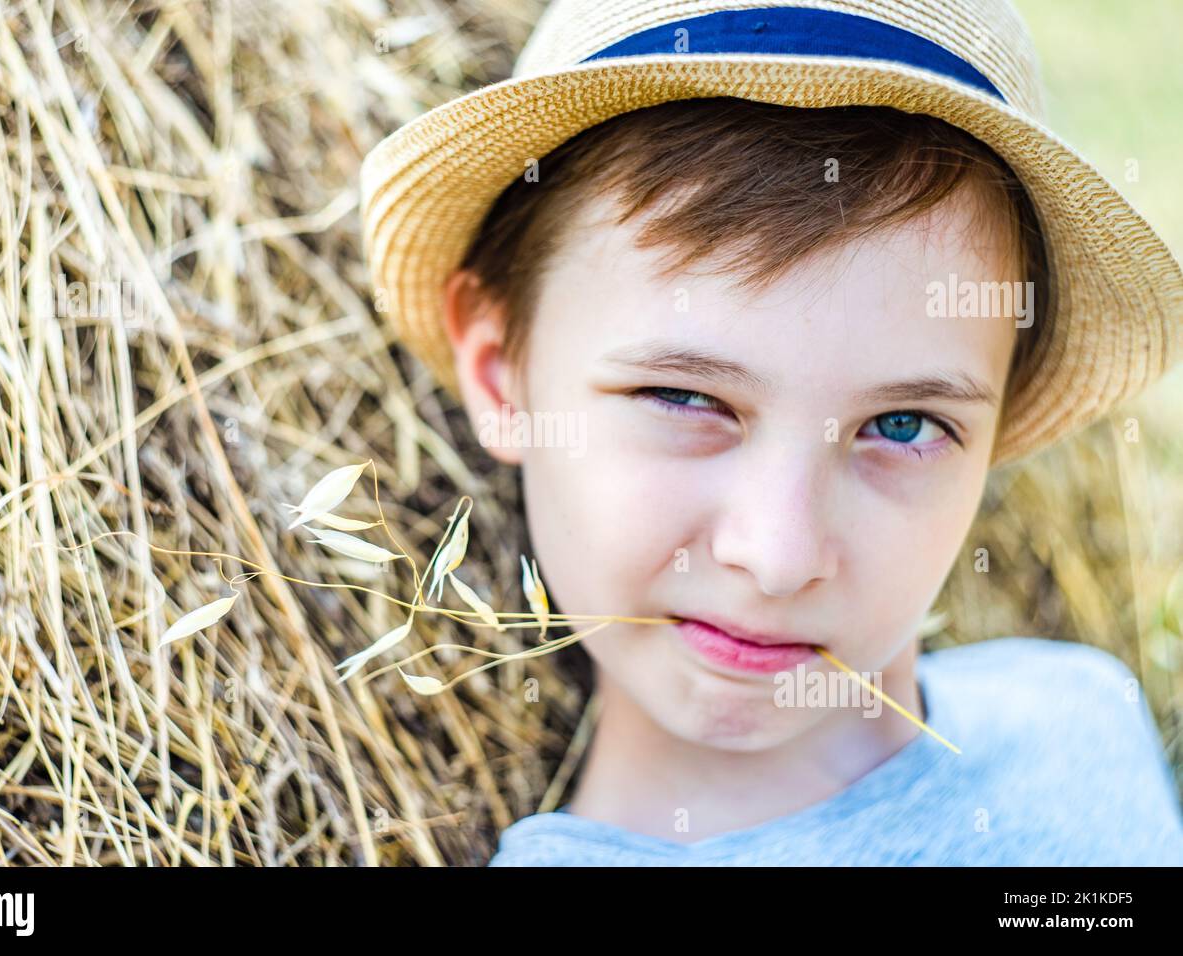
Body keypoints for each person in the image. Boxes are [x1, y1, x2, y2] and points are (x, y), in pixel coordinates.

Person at [357, 0, 1183, 864]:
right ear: (502, 372)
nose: (780, 556)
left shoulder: (1083, 712)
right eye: (683, 399)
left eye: (903, 425)